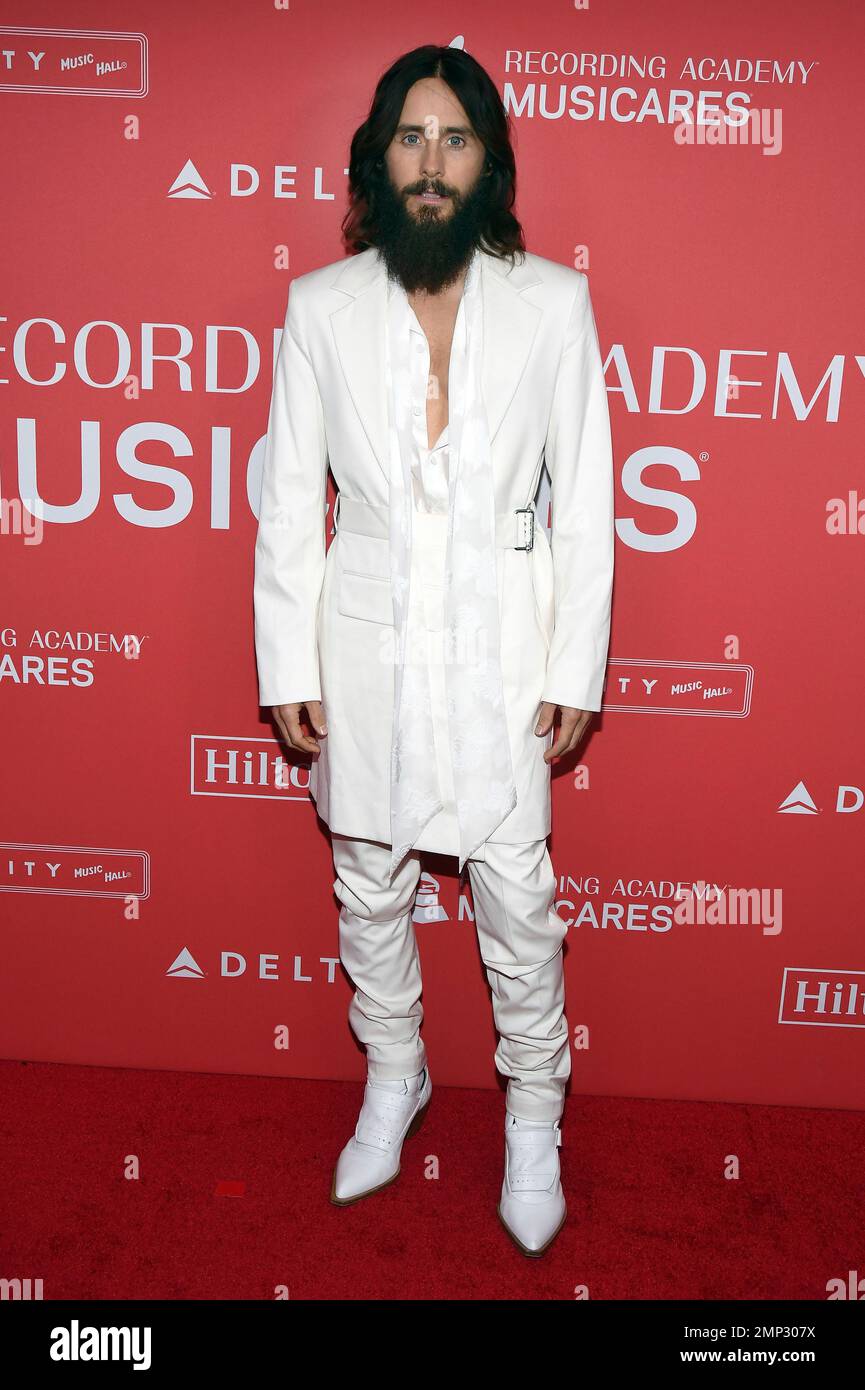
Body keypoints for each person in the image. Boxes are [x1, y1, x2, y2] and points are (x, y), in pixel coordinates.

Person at [253, 43, 615, 1257]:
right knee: (369, 886)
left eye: (453, 138)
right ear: (376, 159)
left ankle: (532, 1115)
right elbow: (288, 498)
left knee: (518, 901)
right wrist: (287, 666)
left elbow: (588, 508)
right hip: (360, 648)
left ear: (487, 163)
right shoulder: (319, 306)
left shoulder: (555, 303)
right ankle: (394, 1075)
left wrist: (574, 670)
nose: (429, 161)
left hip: (504, 652)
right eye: (409, 138)